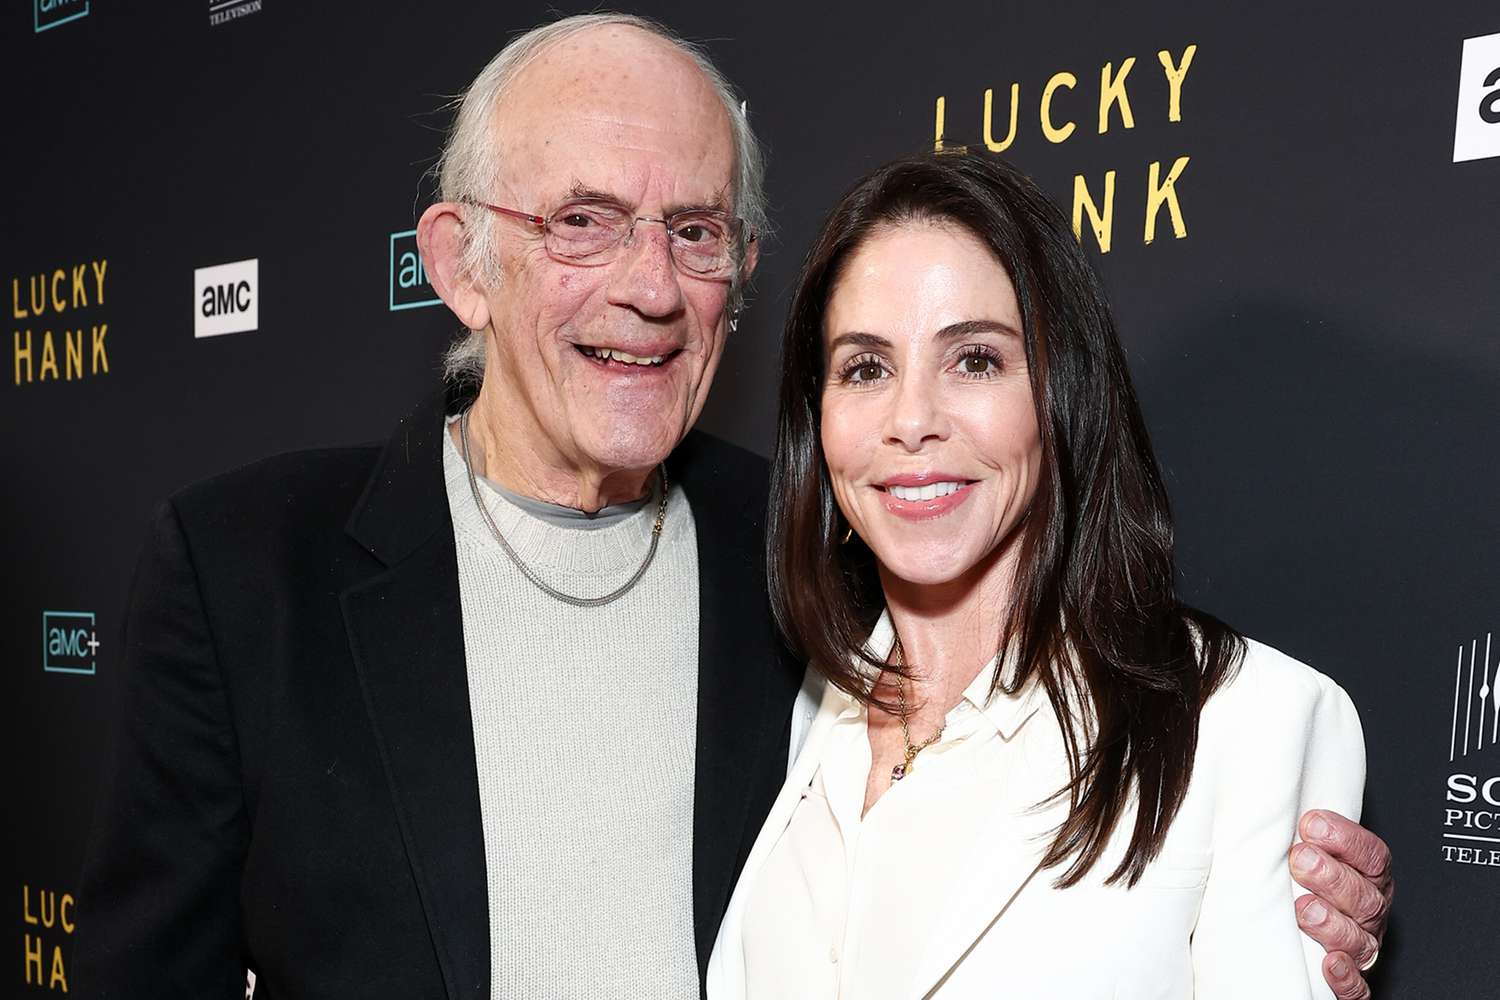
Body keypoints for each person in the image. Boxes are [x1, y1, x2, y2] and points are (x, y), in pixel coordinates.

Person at [73, 14, 1390, 1000]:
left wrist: (1288, 906)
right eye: (584, 220)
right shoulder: (244, 573)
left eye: (695, 231)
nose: (650, 285)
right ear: (461, 265)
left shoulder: (808, 556)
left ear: (741, 275)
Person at [707, 150, 1374, 999]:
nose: (911, 420)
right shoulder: (806, 709)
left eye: (974, 360)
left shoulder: (1249, 723)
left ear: (1063, 392)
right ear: (819, 417)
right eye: (866, 368)